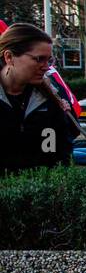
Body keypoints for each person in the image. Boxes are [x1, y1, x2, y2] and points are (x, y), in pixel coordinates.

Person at [0, 23, 78, 174]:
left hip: (41, 191)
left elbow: (63, 148)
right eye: (39, 59)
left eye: (49, 60)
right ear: (9, 57)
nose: (46, 67)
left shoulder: (49, 96)